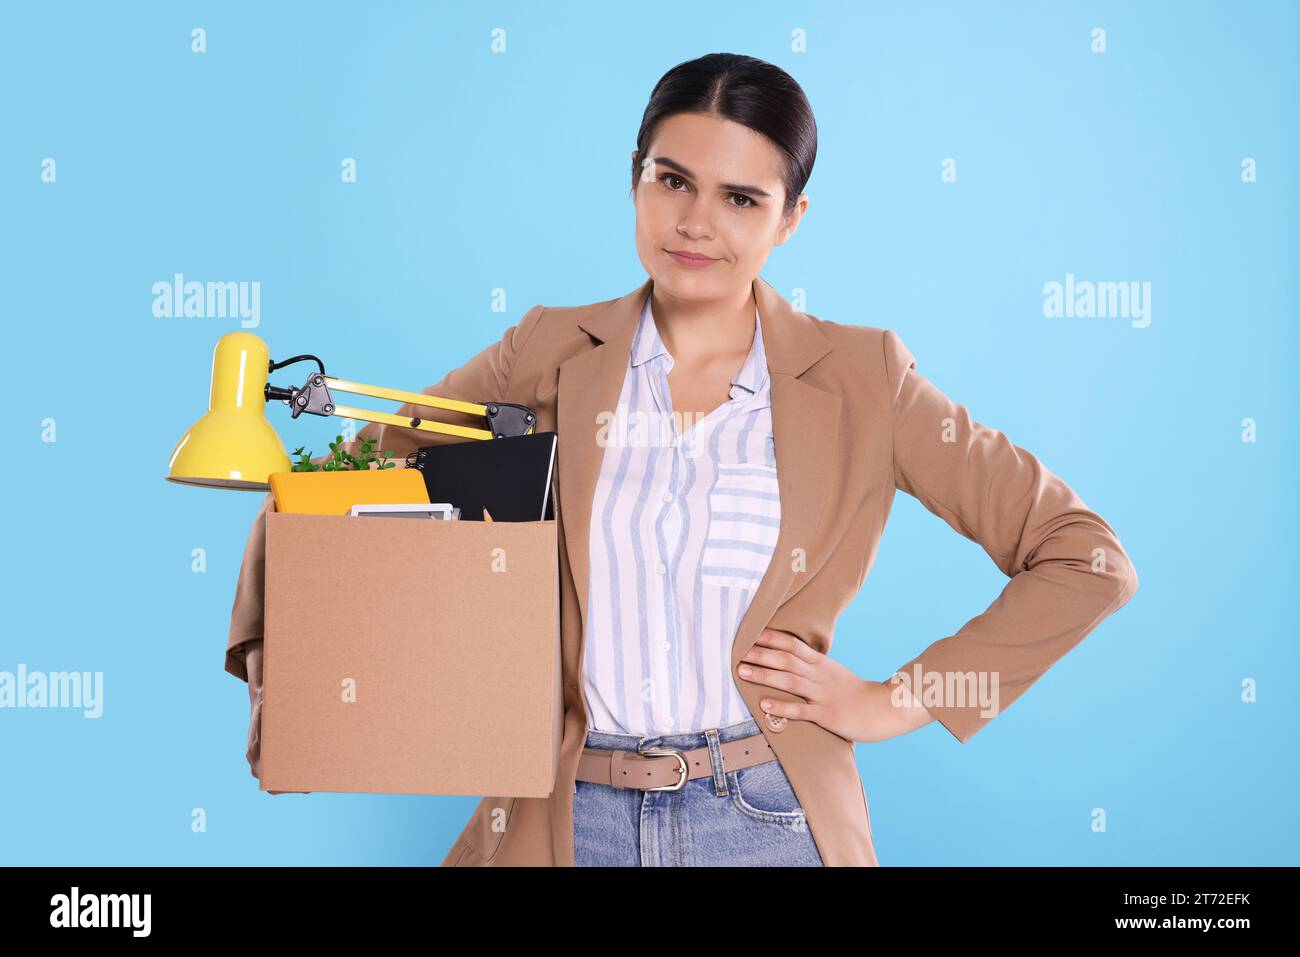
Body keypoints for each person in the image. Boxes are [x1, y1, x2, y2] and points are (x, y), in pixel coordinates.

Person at [226, 53, 1138, 866]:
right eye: (673, 180)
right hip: (565, 816)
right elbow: (346, 486)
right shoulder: (548, 352)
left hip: (766, 820)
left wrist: (897, 699)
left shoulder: (865, 378)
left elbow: (1085, 557)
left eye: (742, 198)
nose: (695, 222)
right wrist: (295, 664)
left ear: (790, 219)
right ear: (635, 181)